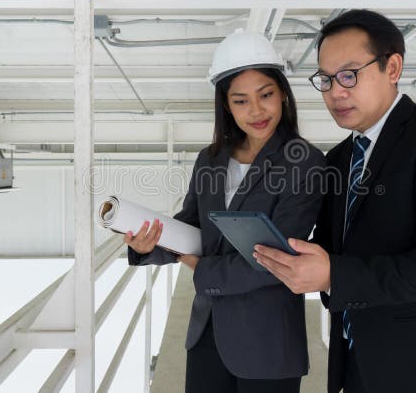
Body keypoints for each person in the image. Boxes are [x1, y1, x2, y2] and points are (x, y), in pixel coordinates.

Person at [253, 10, 416, 392]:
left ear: (392, 67)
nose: (335, 91)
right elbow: (335, 249)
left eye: (349, 74)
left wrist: (333, 275)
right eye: (325, 79)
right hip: (359, 368)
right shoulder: (338, 159)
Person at [124, 29, 325, 393]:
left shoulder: (305, 162)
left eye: (265, 95)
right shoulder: (211, 160)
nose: (256, 110)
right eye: (241, 101)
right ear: (226, 106)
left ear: (282, 93)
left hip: (267, 343)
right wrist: (147, 246)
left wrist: (203, 270)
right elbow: (191, 226)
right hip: (207, 336)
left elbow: (282, 256)